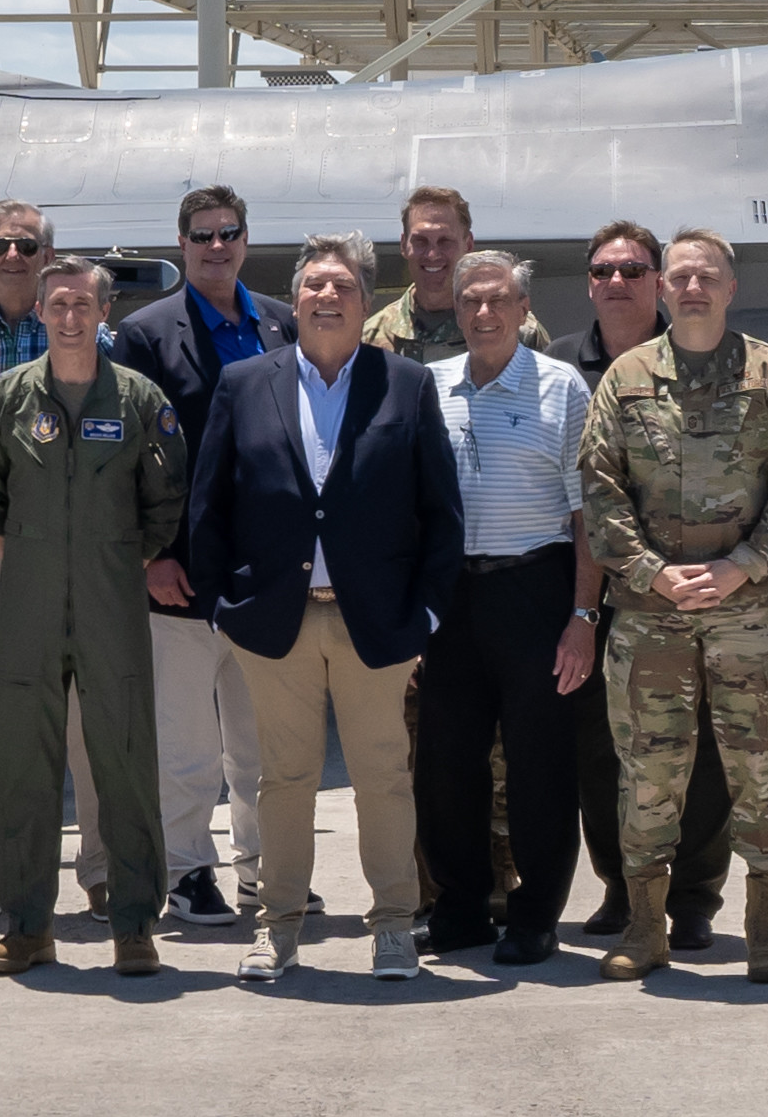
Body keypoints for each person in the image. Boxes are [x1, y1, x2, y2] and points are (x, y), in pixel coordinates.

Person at [185, 233, 465, 983]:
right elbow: (207, 506)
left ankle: (394, 928)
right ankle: (276, 927)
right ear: (294, 300)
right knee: (284, 779)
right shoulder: (245, 382)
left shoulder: (404, 383)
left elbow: (440, 509)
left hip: (375, 618)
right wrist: (220, 605)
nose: (326, 296)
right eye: (313, 285)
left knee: (382, 776)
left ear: (364, 303)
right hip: (273, 620)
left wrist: (428, 612)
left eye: (342, 286)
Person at [580, 226, 768, 985]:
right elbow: (598, 489)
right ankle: (646, 925)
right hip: (652, 614)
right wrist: (653, 572)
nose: (691, 288)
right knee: (647, 772)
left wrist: (738, 566)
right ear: (662, 288)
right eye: (679, 276)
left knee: (763, 768)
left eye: (705, 276)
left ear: (729, 287)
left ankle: (764, 924)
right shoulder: (625, 377)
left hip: (749, 613)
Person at [0, 253, 182, 980]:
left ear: (103, 311)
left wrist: (114, 556)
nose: (69, 316)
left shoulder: (140, 399)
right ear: (43, 311)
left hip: (113, 599)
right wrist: (26, 554)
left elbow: (166, 500)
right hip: (27, 597)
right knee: (21, 761)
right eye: (56, 304)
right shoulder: (7, 397)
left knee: (123, 756)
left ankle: (135, 923)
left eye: (82, 303)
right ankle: (26, 925)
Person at [0, 199, 118, 921]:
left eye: (27, 245)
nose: (13, 255)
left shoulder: (87, 329)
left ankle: (98, 865)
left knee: (85, 705)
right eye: (1, 245)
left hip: (77, 538)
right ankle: (3, 863)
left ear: (47, 255)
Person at [118, 186, 295, 930]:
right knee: (188, 745)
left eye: (228, 233)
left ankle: (266, 871)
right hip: (180, 574)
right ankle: (190, 871)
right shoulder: (144, 334)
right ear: (181, 246)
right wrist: (152, 556)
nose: (215, 246)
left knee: (262, 746)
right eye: (201, 236)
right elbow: (128, 458)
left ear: (246, 240)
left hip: (265, 576)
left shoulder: (282, 324)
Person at [419, 249, 601, 965]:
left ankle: (535, 915)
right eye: (470, 302)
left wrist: (582, 618)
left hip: (535, 586)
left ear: (524, 308)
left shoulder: (560, 388)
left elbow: (588, 517)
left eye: (498, 300)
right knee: (446, 762)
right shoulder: (429, 386)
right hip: (453, 597)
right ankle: (460, 907)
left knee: (539, 765)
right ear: (455, 308)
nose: (483, 313)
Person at [561, 220, 732, 944]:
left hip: (704, 589)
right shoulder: (564, 369)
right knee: (604, 750)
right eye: (603, 270)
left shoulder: (705, 353)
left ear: (657, 280)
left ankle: (692, 897)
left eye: (633, 270)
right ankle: (623, 887)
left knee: (702, 749)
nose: (617, 283)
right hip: (604, 595)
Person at [366, 185, 551, 367]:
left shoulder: (517, 331)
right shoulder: (370, 339)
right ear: (403, 245)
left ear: (468, 245)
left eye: (445, 241)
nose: (432, 255)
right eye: (420, 241)